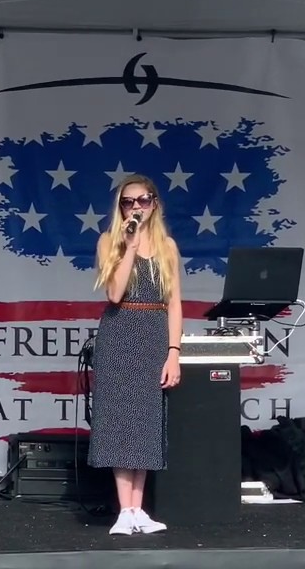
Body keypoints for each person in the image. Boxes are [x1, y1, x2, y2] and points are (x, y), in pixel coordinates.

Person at [87, 174, 184, 535]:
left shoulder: (168, 247)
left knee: (144, 421)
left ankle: (137, 509)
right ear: (121, 208)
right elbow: (114, 293)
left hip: (153, 335)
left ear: (154, 204)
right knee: (121, 421)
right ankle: (124, 509)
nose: (136, 207)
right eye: (129, 202)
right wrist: (128, 246)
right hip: (120, 331)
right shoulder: (108, 241)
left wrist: (174, 352)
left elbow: (174, 304)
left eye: (142, 201)